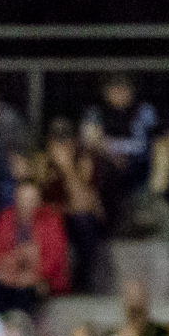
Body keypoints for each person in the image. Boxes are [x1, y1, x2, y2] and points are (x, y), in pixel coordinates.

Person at [39, 118, 107, 294]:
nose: (62, 145)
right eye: (57, 140)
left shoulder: (84, 161)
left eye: (66, 139)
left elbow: (83, 205)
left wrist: (68, 168)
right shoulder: (40, 163)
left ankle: (83, 287)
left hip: (77, 222)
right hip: (49, 220)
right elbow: (33, 203)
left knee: (83, 222)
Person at [0, 181, 69, 318]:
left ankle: (20, 329)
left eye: (31, 199)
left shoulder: (50, 220)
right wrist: (13, 269)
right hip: (10, 275)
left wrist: (34, 275)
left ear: (39, 200)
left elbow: (55, 258)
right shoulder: (5, 218)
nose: (26, 203)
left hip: (41, 279)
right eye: (23, 199)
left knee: (24, 293)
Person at [84, 72, 159, 220]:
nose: (119, 93)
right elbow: (89, 141)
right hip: (107, 167)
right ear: (106, 91)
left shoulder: (143, 110)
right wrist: (112, 153)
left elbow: (144, 144)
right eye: (115, 88)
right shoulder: (95, 112)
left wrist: (115, 149)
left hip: (138, 165)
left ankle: (147, 206)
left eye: (124, 88)